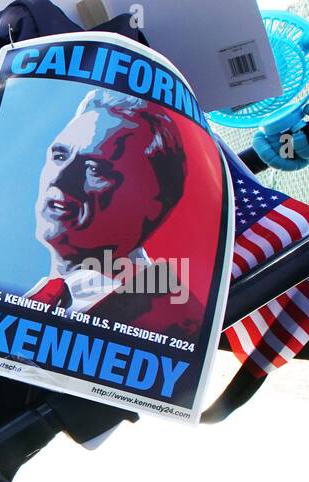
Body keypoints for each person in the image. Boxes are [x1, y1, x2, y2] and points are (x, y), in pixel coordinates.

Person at [27, 89, 201, 338]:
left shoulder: (173, 326)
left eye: (93, 168)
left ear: (155, 204)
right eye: (60, 155)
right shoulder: (40, 297)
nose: (60, 178)